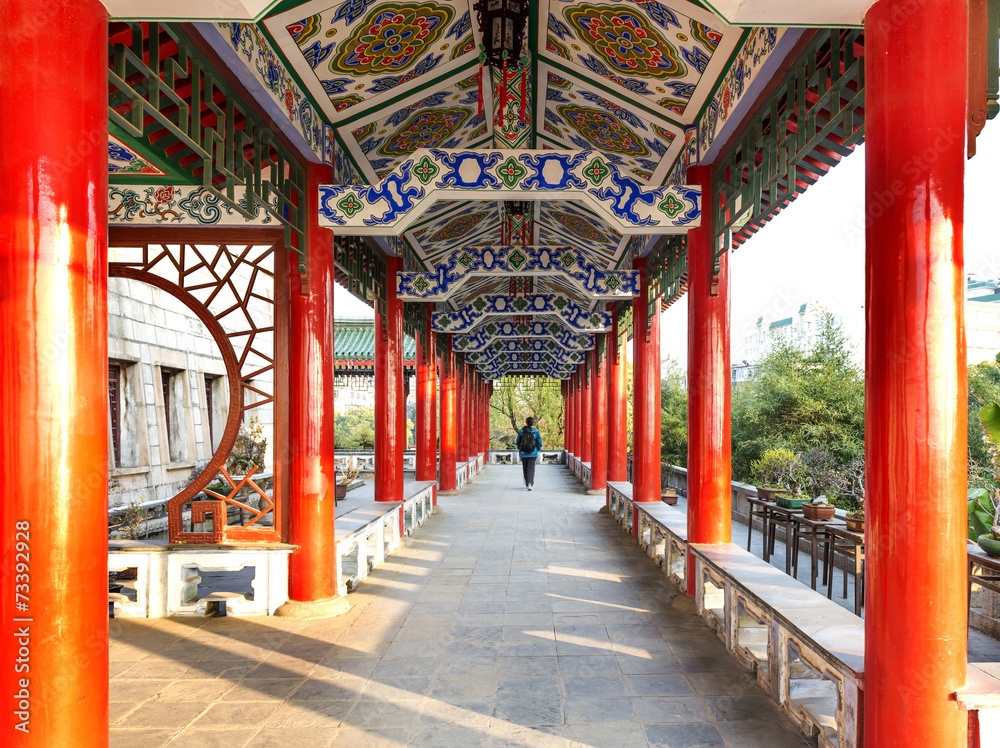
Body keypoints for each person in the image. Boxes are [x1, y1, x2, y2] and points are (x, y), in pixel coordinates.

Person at [517, 417, 542, 490]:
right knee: (531, 468)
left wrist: (520, 449)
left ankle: (527, 482)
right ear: (533, 423)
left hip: (523, 453)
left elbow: (518, 442)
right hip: (533, 453)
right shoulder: (536, 431)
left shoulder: (521, 431)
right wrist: (537, 450)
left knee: (525, 468)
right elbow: (539, 442)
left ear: (526, 423)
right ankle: (530, 483)